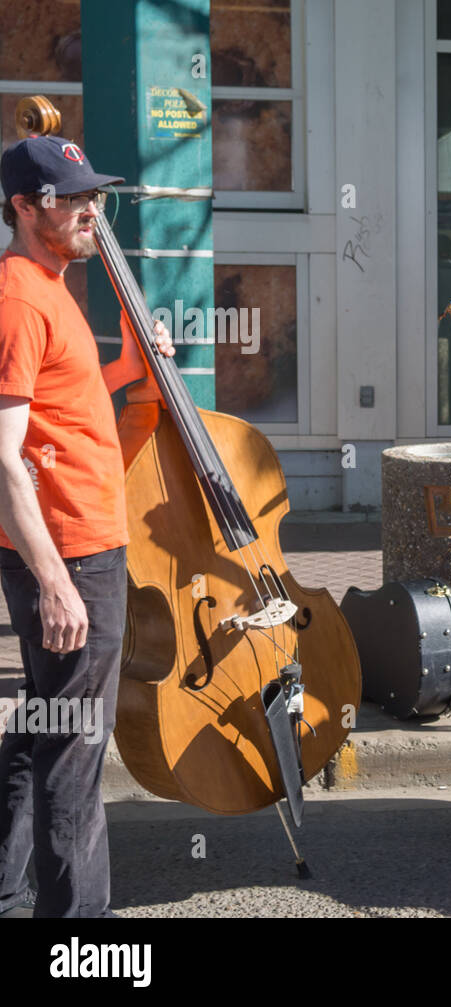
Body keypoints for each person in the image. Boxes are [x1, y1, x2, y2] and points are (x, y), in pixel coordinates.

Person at [0, 134, 173, 917]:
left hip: (82, 546)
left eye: (92, 196)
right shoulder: (18, 297)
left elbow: (62, 408)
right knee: (75, 750)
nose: (89, 211)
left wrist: (135, 369)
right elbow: (4, 456)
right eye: (70, 198)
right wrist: (55, 581)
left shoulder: (47, 284)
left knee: (44, 726)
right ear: (24, 208)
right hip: (70, 556)